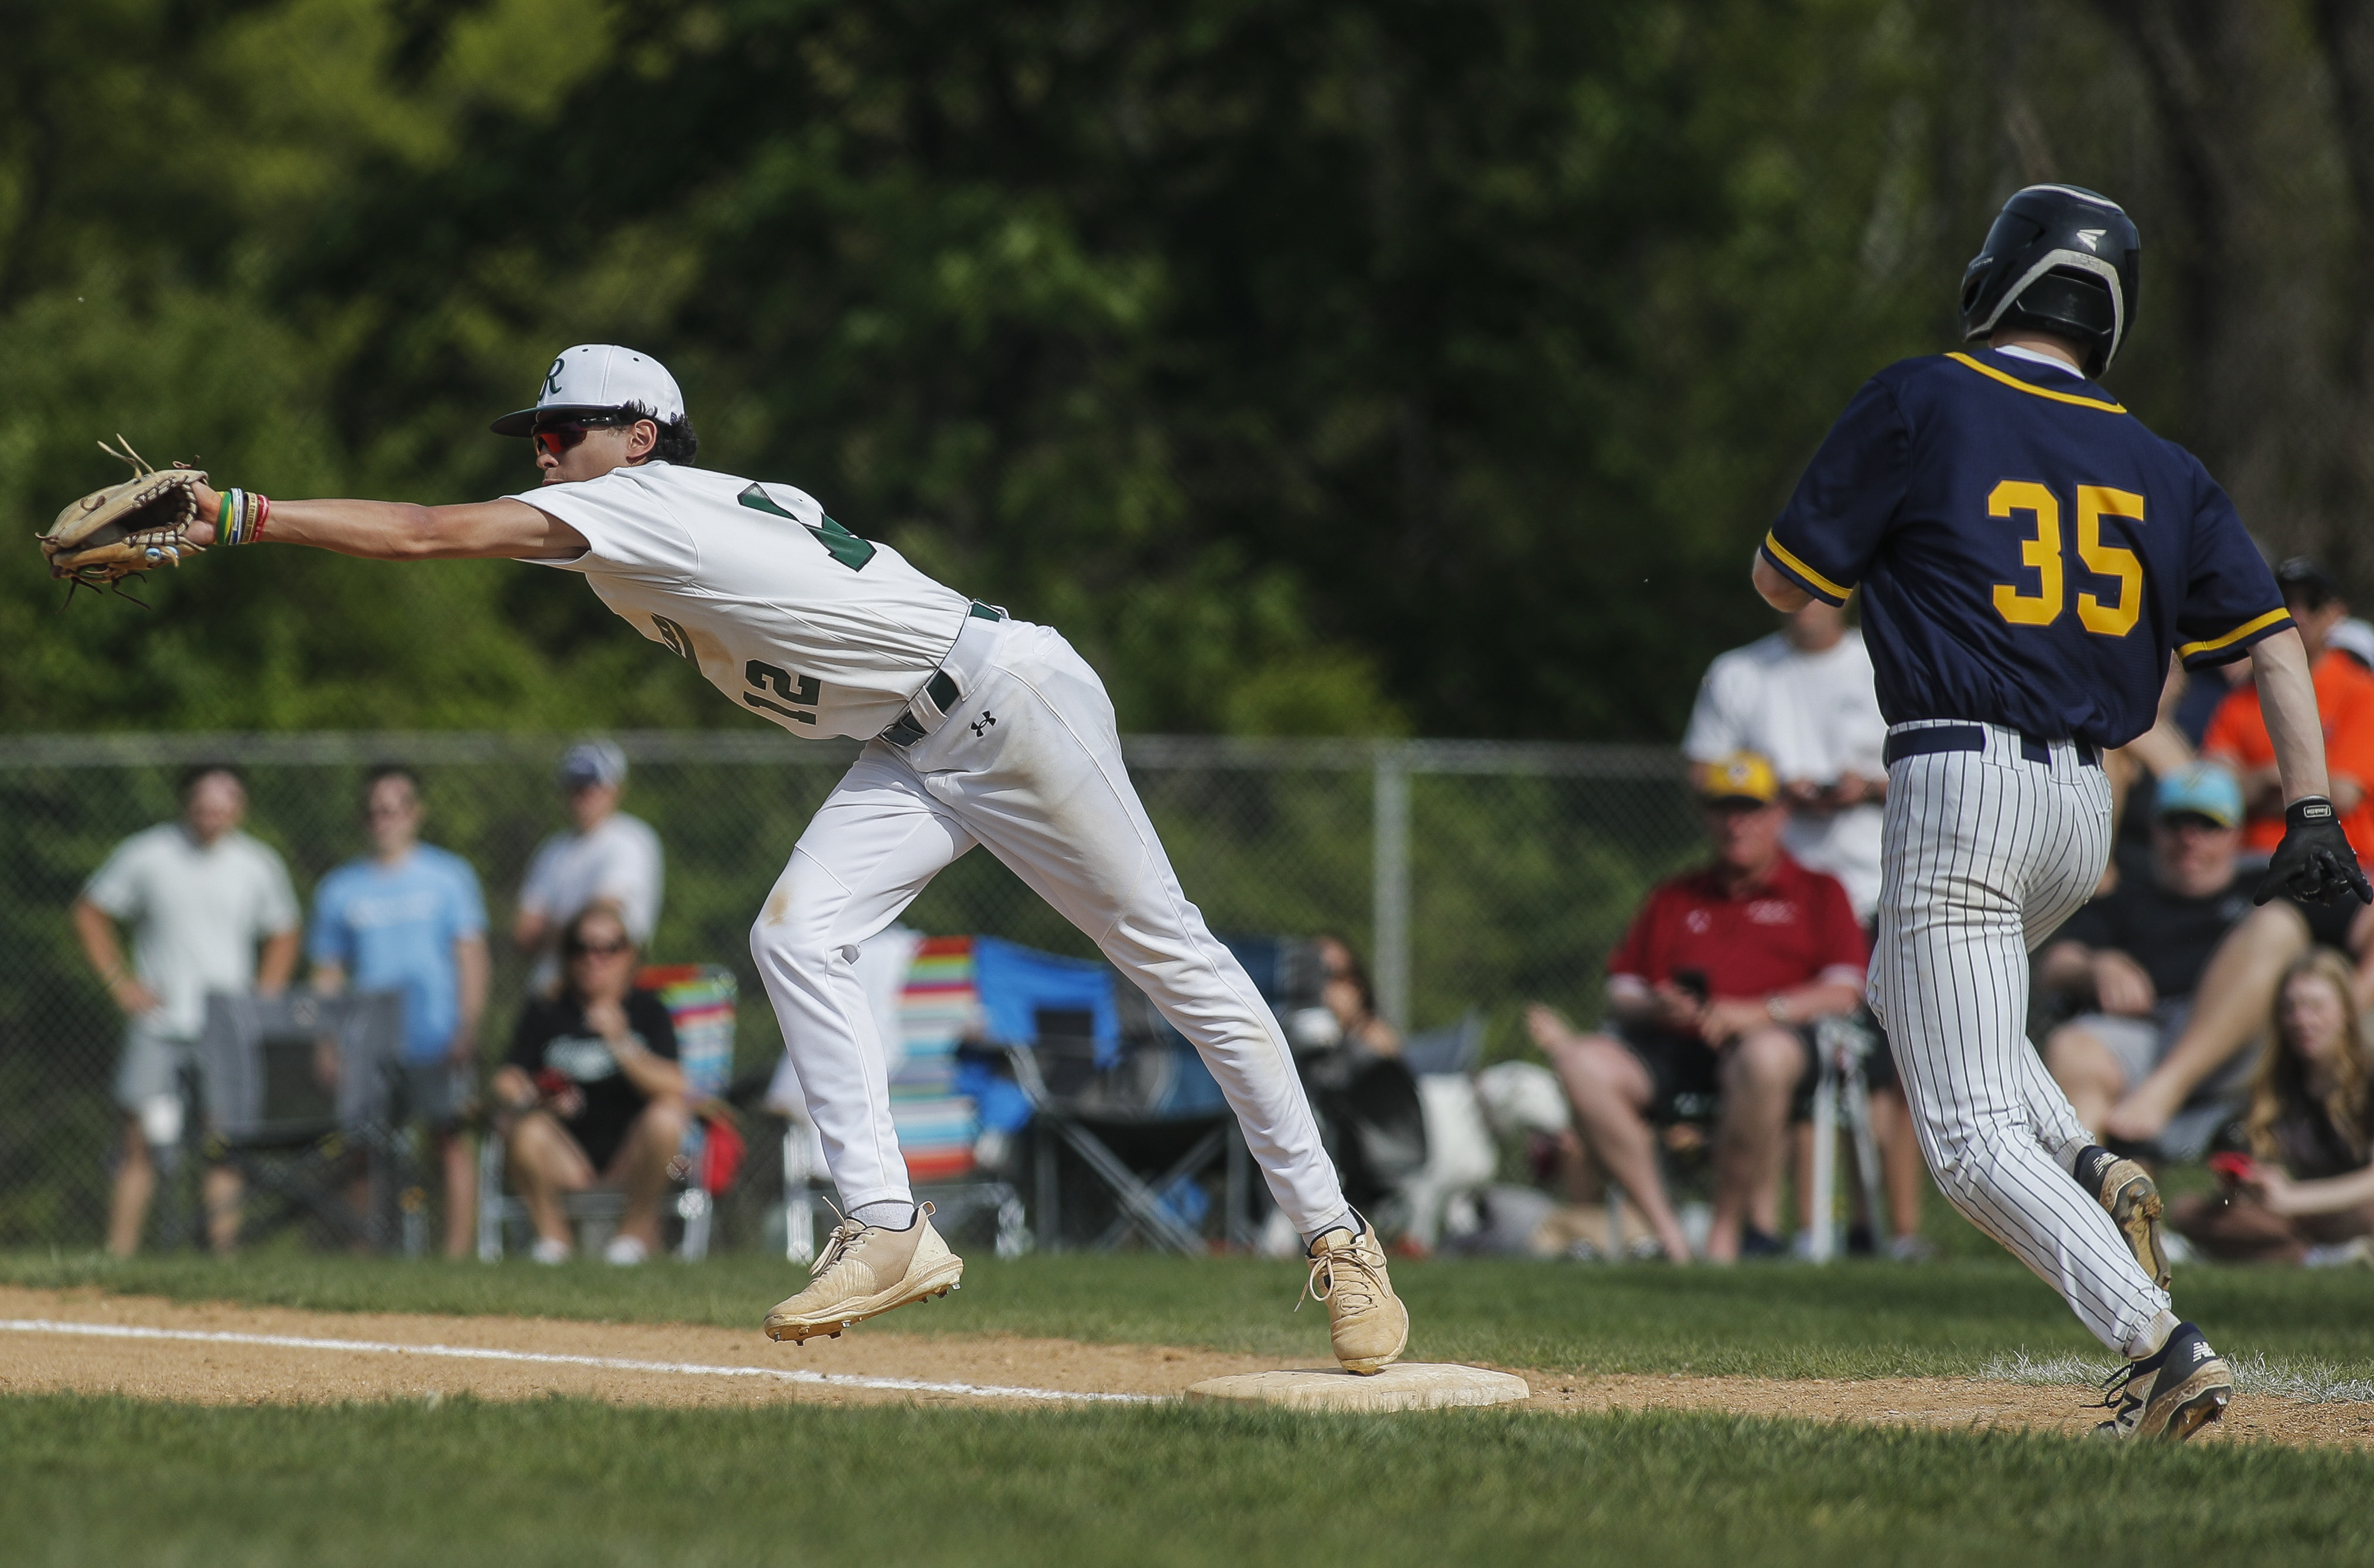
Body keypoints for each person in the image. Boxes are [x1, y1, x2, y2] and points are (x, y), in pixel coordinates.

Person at [166, 341, 1405, 1374]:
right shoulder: (673, 510)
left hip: (1008, 705)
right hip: (916, 745)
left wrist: (243, 516)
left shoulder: (630, 502)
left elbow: (432, 531)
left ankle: (1337, 1238)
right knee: (794, 933)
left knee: (1174, 960)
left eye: (567, 429)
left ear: (641, 436)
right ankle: (883, 1221)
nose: (544, 453)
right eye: (537, 437)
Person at [1751, 183, 2367, 1441]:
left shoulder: (1921, 397)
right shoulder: (2162, 462)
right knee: (1903, 998)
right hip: (2083, 806)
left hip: (1958, 779)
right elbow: (2270, 649)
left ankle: (2156, 1341)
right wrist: (2312, 815)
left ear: (1998, 280)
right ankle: (2091, 1160)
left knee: (1965, 1141)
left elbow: (1781, 581)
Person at [1526, 753, 1867, 1263]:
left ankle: (1725, 1233)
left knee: (1763, 1056)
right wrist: (1657, 1005)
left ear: (1779, 815)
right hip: (1673, 1045)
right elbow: (1620, 990)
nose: (1736, 823)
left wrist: (1757, 1012)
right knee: (1578, 1060)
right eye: (1723, 808)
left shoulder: (1820, 891)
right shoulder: (1675, 895)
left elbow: (1846, 987)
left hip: (1776, 1046)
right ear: (1705, 816)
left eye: (1750, 808)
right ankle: (1669, 1235)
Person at [1683, 597, 1931, 1259]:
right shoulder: (1740, 672)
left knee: (1890, 1072)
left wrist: (1867, 787)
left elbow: (1932, 765)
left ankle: (1890, 1232)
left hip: (1879, 889)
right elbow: (1703, 768)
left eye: (1819, 583)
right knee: (1795, 1066)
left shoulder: (1884, 660)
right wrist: (1777, 792)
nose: (1806, 599)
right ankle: (1790, 1229)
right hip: (1782, 897)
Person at [2103, 561, 2374, 1146]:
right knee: (2269, 921)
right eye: (2286, 599)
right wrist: (2297, 778)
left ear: (2336, 614)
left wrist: (2264, 784)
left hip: (2336, 867)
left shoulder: (2357, 690)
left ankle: (2329, 1033)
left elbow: (2342, 791)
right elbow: (2214, 782)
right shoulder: (2245, 700)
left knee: (2298, 922)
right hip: (2255, 871)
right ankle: (2172, 1102)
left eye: (2311, 600)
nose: (2295, 613)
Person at [71, 765, 300, 1255]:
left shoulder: (257, 864)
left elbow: (284, 929)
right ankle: (120, 1253)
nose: (213, 813)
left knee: (224, 1144)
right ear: (186, 803)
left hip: (227, 1027)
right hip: (160, 1025)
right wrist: (121, 984)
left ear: (241, 807)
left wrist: (265, 995)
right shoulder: (148, 853)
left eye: (226, 801)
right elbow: (91, 911)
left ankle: (223, 1254)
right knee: (139, 1142)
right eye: (204, 801)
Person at [308, 766, 491, 1258]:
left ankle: (456, 1255)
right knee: (362, 1148)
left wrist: (468, 1023)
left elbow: (470, 954)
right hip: (366, 1042)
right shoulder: (340, 888)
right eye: (373, 810)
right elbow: (328, 971)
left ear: (416, 813)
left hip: (435, 1035)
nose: (383, 818)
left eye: (394, 807)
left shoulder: (449, 876)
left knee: (449, 1140)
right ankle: (364, 1248)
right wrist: (327, 1039)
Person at [2038, 764, 2257, 1157]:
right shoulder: (2125, 901)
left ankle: (2161, 1097)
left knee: (2277, 934)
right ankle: (2091, 1198)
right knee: (2072, 1047)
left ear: (2235, 833)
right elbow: (2054, 965)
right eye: (2176, 823)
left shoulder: (2264, 890)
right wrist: (2097, 965)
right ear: (2153, 830)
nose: (2189, 839)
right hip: (2146, 1040)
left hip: (2243, 1053)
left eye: (2207, 825)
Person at [492, 904, 688, 1264]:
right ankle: (553, 1245)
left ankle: (629, 1243)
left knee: (667, 1118)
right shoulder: (548, 1010)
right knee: (524, 1128)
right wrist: (536, 1094)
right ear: (567, 956)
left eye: (607, 948)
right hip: (564, 1153)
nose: (593, 959)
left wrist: (621, 1041)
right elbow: (507, 1078)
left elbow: (674, 1084)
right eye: (580, 948)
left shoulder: (648, 1010)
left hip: (630, 1154)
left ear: (629, 955)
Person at [2168, 950, 2374, 1264]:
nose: (2302, 1020)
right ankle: (2318, 1255)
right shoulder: (2277, 1084)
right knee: (2187, 1210)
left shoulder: (2368, 1079)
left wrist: (2295, 1199)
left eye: (2317, 1007)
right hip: (2301, 1214)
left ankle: (2259, 1251)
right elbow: (2262, 1174)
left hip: (2350, 1206)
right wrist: (2251, 1184)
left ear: (2346, 1011)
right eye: (2291, 1008)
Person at [514, 740, 663, 993]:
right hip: (551, 990)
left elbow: (601, 921)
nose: (584, 795)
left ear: (616, 788)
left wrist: (552, 931)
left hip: (606, 992)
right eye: (577, 786)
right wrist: (572, 932)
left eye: (594, 785)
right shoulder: (553, 849)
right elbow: (523, 934)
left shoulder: (629, 840)